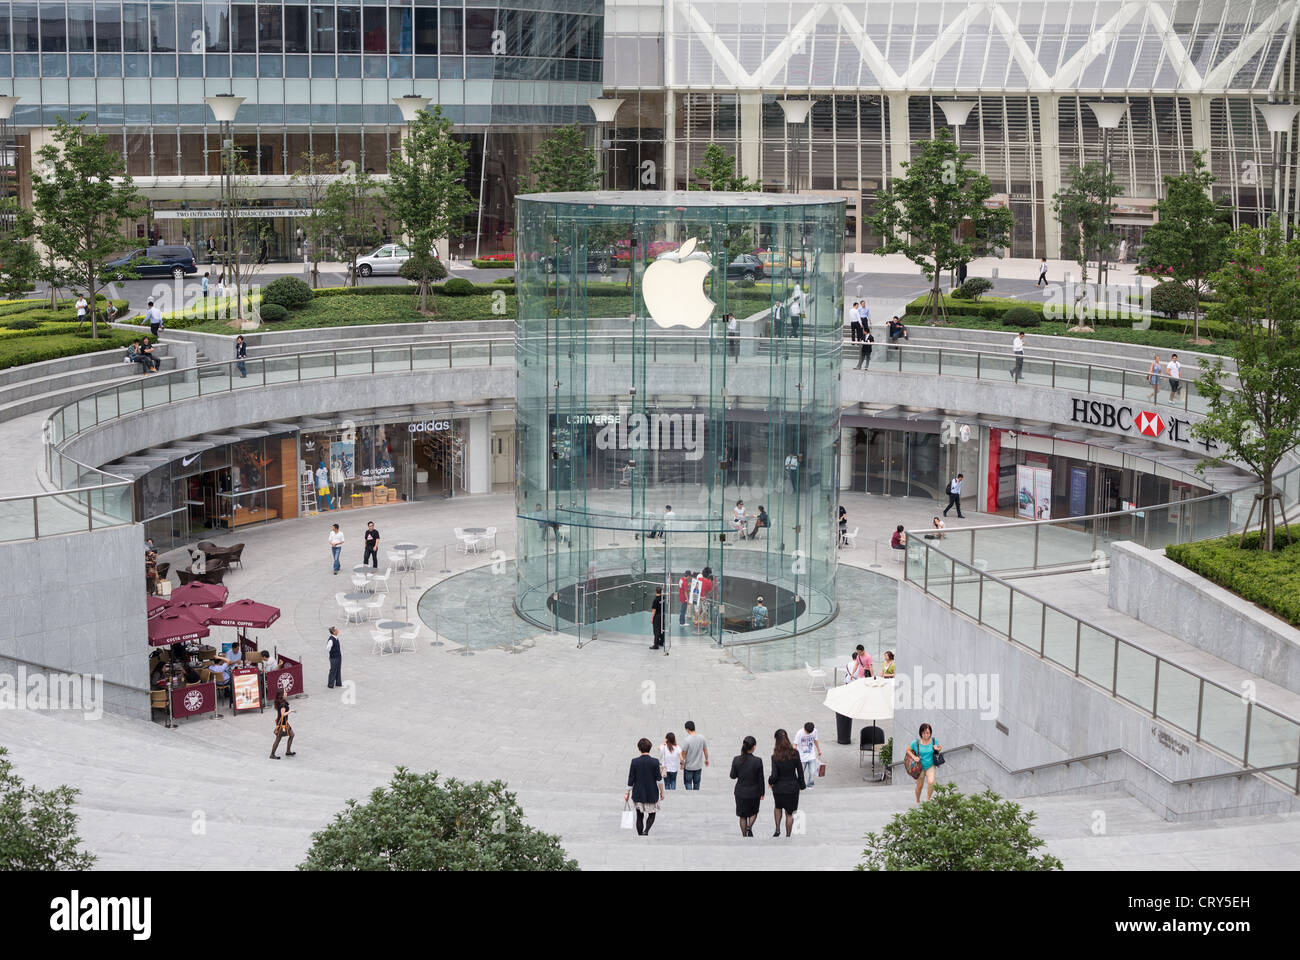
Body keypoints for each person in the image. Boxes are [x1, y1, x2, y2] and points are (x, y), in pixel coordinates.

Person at [769, 729, 806, 837]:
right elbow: (800, 771)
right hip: (792, 788)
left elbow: (774, 775)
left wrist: (770, 781)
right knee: (789, 813)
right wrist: (802, 785)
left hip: (779, 788)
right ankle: (788, 835)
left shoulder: (775, 756)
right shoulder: (795, 753)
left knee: (778, 807)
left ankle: (777, 829)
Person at [624, 737, 664, 836]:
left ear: (639, 748)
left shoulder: (634, 761)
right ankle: (646, 831)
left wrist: (627, 793)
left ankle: (640, 834)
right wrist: (662, 792)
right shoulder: (655, 762)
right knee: (652, 814)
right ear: (650, 748)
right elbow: (659, 779)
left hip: (638, 793)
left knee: (639, 816)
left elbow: (631, 779)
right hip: (652, 793)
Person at [730, 735, 765, 837]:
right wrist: (762, 792)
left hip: (740, 792)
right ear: (754, 747)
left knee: (742, 816)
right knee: (754, 812)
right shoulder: (758, 761)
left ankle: (744, 835)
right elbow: (761, 778)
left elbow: (732, 776)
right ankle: (749, 827)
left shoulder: (736, 759)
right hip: (754, 792)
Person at [905, 722, 943, 803]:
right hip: (919, 767)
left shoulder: (934, 741)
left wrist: (937, 748)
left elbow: (940, 747)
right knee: (919, 786)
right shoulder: (916, 743)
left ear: (930, 733)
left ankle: (928, 800)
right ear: (920, 733)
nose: (926, 735)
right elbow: (908, 750)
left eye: (927, 733)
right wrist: (914, 757)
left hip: (930, 765)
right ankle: (918, 800)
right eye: (924, 733)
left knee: (931, 782)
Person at [682, 720, 710, 790]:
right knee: (697, 783)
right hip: (698, 766)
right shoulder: (702, 738)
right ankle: (696, 795)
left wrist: (682, 763)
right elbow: (705, 750)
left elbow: (684, 753)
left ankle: (690, 795)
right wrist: (706, 759)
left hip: (688, 767)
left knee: (688, 783)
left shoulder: (687, 740)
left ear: (687, 729)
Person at [270, 689, 296, 759]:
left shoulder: (281, 702)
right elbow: (283, 714)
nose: (286, 693)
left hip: (284, 722)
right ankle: (272, 754)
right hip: (282, 724)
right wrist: (291, 711)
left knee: (292, 735)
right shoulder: (283, 704)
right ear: (282, 695)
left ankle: (288, 751)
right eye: (284, 692)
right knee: (278, 739)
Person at [795, 721, 822, 788]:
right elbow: (795, 745)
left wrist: (818, 750)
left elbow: (815, 740)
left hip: (811, 755)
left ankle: (810, 784)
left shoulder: (815, 731)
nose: (808, 733)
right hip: (801, 757)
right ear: (804, 728)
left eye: (809, 732)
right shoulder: (799, 733)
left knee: (812, 772)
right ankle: (797, 785)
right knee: (800, 773)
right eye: (807, 732)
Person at [650, 586, 666, 650]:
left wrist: (652, 618)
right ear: (661, 591)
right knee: (661, 628)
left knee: (656, 630)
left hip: (657, 616)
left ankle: (656, 645)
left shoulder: (655, 600)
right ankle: (662, 641)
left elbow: (654, 610)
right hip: (662, 615)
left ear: (656, 591)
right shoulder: (663, 598)